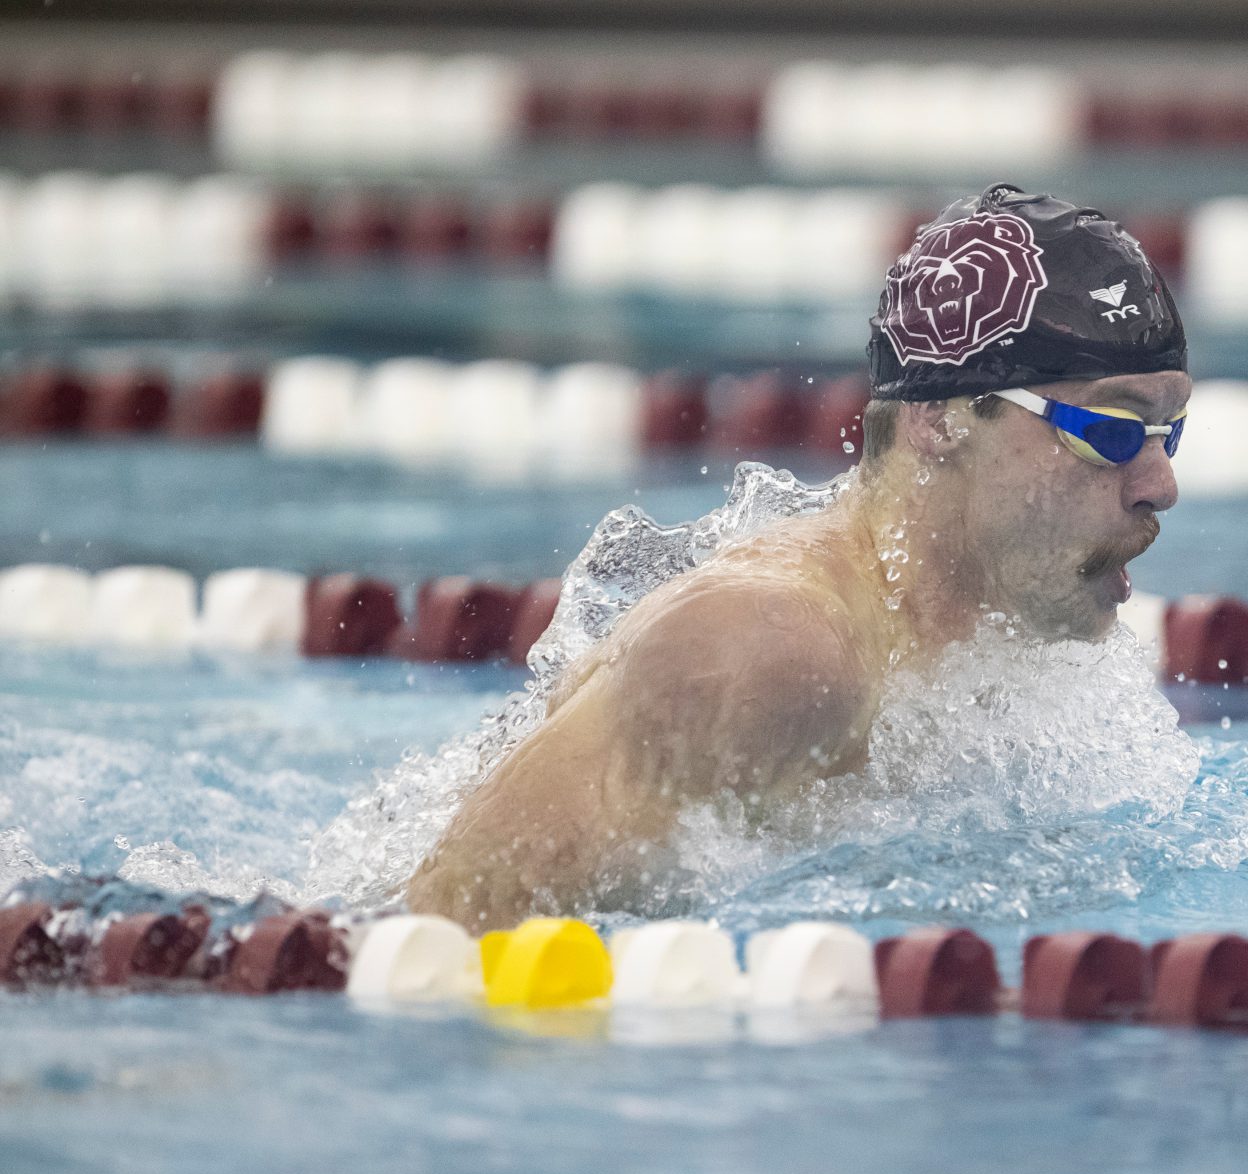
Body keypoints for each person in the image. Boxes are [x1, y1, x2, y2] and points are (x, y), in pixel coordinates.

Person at [405, 184, 1191, 929]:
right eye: (1112, 431)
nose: (1160, 483)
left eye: (1168, 432)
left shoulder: (1004, 653)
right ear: (940, 421)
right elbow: (434, 945)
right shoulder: (768, 649)